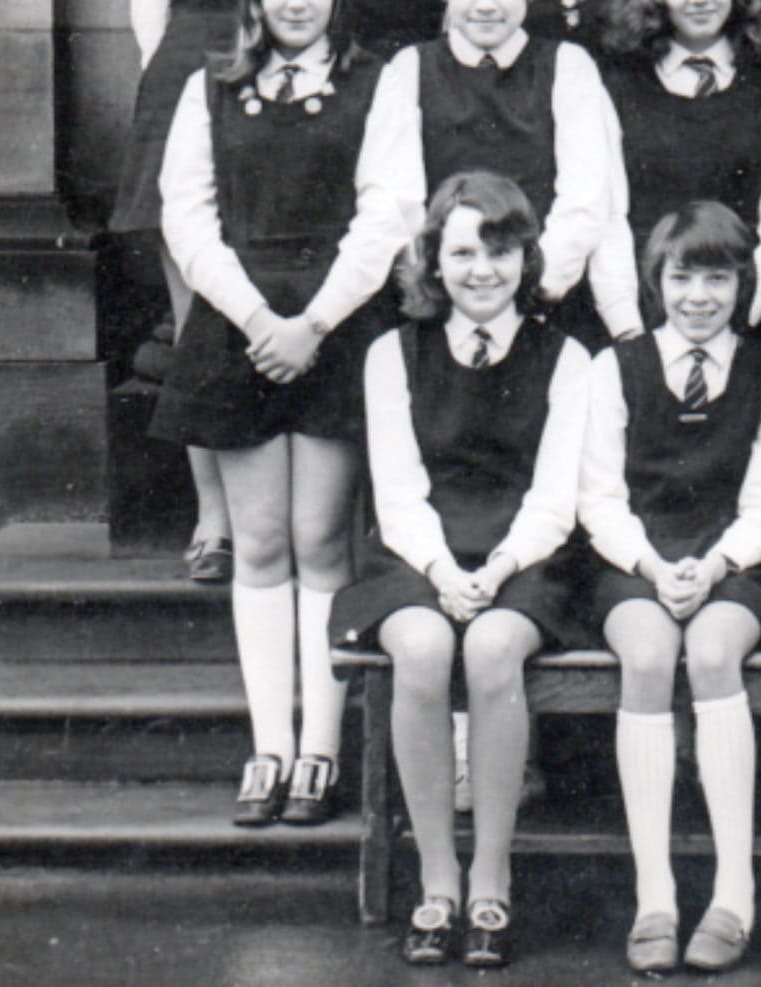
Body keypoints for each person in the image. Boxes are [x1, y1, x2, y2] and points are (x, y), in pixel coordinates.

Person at [150, 0, 410, 826]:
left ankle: (321, 752)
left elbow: (388, 211)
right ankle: (270, 748)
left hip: (337, 320)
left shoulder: (377, 83)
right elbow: (185, 214)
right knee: (260, 542)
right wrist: (260, 320)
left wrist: (314, 323)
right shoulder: (211, 84)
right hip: (241, 326)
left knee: (321, 539)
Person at [330, 171, 592, 968]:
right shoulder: (392, 354)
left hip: (527, 552)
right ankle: (437, 876)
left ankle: (491, 873)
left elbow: (555, 498)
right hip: (420, 548)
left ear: (527, 259)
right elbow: (398, 491)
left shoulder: (567, 357)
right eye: (464, 252)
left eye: (501, 252)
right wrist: (444, 571)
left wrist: (499, 566)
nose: (483, 270)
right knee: (420, 646)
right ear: (434, 262)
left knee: (491, 646)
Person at [580, 201, 761, 973]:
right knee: (646, 655)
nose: (699, 296)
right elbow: (599, 499)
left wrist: (714, 566)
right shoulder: (618, 366)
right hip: (636, 558)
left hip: (732, 558)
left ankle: (734, 892)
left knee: (711, 653)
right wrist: (651, 566)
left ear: (743, 284)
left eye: (717, 279)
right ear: (656, 281)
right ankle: (657, 895)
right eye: (682, 278)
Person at [369, 0, 636, 349]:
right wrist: (444, 286)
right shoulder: (411, 67)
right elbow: (400, 201)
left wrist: (532, 289)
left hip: (542, 302)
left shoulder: (567, 65)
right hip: (441, 302)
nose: (486, 6)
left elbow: (586, 198)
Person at [112, 0, 239, 584]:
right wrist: (164, 60)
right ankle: (215, 518)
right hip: (194, 53)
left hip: (304, 51)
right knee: (199, 320)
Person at [592, 0, 761, 330]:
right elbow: (608, 220)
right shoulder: (617, 89)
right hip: (643, 309)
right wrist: (628, 329)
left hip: (745, 314)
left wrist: (740, 315)